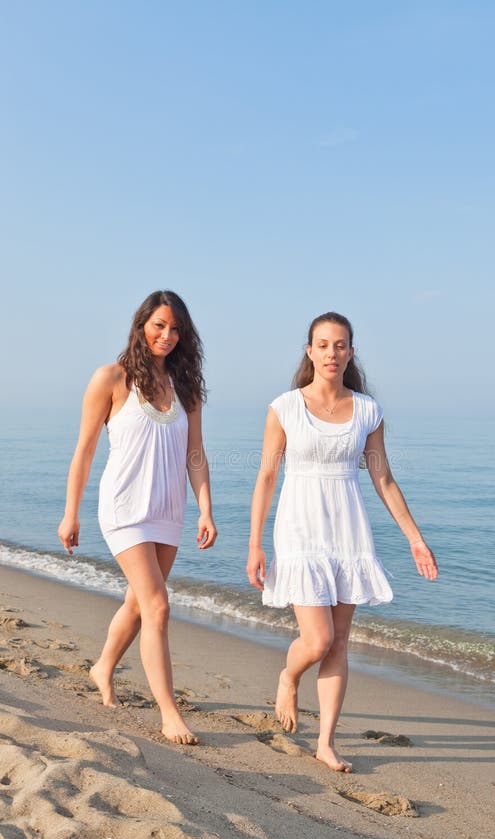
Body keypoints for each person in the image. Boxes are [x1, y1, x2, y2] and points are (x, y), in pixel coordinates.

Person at [247, 312, 438, 772]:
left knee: (338, 643)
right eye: (323, 344)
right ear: (309, 351)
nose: (332, 353)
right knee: (317, 640)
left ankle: (326, 742)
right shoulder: (285, 407)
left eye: (340, 345)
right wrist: (255, 544)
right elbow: (267, 477)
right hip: (299, 529)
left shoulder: (368, 411)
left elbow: (383, 479)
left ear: (351, 352)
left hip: (349, 531)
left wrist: (415, 540)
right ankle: (289, 675)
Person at [58, 290, 216, 744]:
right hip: (124, 507)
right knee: (157, 605)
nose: (167, 335)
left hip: (168, 509)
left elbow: (195, 454)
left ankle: (102, 667)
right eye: (159, 325)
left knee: (138, 603)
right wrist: (71, 514)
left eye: (175, 328)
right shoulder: (111, 378)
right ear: (141, 324)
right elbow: (85, 451)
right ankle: (169, 713)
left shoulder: (186, 388)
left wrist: (206, 509)